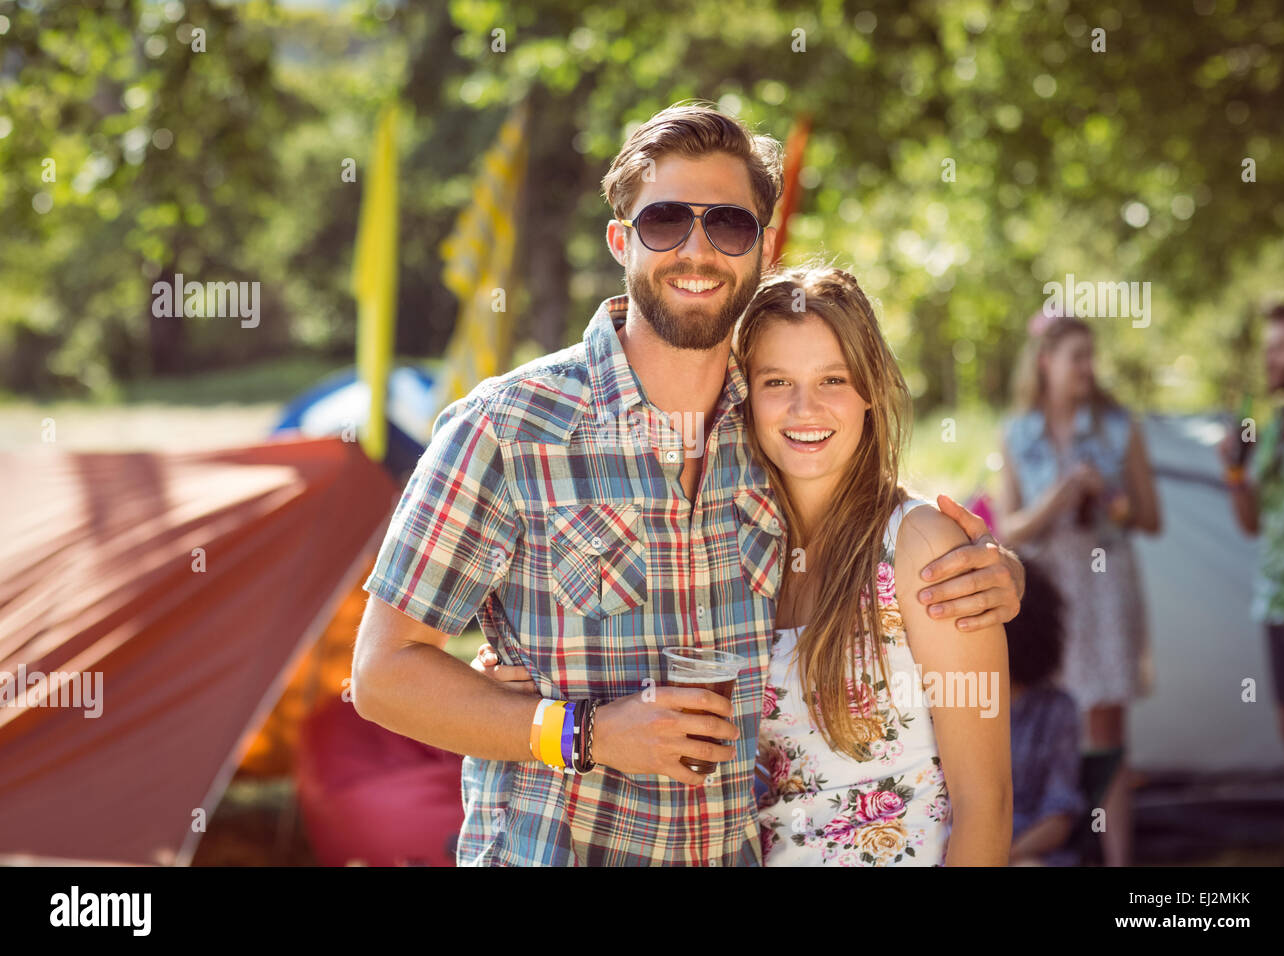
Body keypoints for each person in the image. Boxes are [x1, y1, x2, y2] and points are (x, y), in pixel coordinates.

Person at [352, 101, 1026, 866]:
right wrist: (581, 732)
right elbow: (381, 675)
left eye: (728, 225)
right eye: (665, 221)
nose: (697, 249)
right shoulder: (509, 428)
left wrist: (999, 573)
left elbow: (870, 532)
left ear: (763, 249)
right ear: (621, 240)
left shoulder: (769, 425)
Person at [484, 262, 1013, 866]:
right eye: (778, 382)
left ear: (869, 391)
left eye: (833, 380)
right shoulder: (740, 544)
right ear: (746, 395)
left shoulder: (923, 547)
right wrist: (516, 672)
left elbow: (988, 804)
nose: (805, 409)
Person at [995, 310, 1161, 867]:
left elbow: (1149, 517)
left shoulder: (1119, 426)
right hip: (1046, 596)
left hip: (1105, 588)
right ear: (1046, 363)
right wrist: (1059, 496)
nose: (1088, 369)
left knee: (1106, 723)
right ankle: (1047, 841)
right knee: (1048, 715)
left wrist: (1110, 498)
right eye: (1077, 358)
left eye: (1092, 358)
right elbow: (1007, 527)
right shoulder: (1016, 432)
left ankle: (1118, 862)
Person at [1219, 302, 1284, 867]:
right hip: (1277, 601)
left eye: (1281, 347)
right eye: (1268, 347)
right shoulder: (1274, 429)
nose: (1269, 359)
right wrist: (1234, 472)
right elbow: (1251, 525)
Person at [1004, 560, 1084, 866]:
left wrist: (1007, 856)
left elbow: (1059, 813)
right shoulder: (954, 700)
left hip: (1028, 852)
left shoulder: (1057, 709)